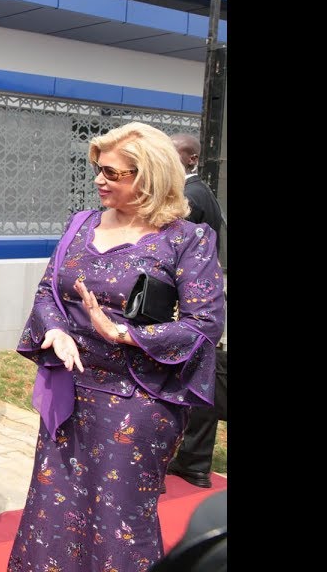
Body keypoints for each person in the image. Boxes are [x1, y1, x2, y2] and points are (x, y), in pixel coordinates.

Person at [9, 122, 225, 572]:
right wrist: (57, 332)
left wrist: (126, 334)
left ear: (147, 176)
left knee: (118, 518)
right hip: (69, 394)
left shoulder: (187, 239)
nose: (98, 180)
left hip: (138, 402)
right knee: (54, 507)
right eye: (97, 169)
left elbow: (205, 324)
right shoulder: (80, 223)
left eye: (112, 172)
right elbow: (49, 289)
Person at [165, 133, 227, 489]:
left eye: (175, 154)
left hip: (195, 304)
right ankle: (193, 458)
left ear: (191, 160)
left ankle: (194, 461)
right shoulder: (201, 191)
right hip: (198, 299)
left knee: (201, 378)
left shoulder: (192, 196)